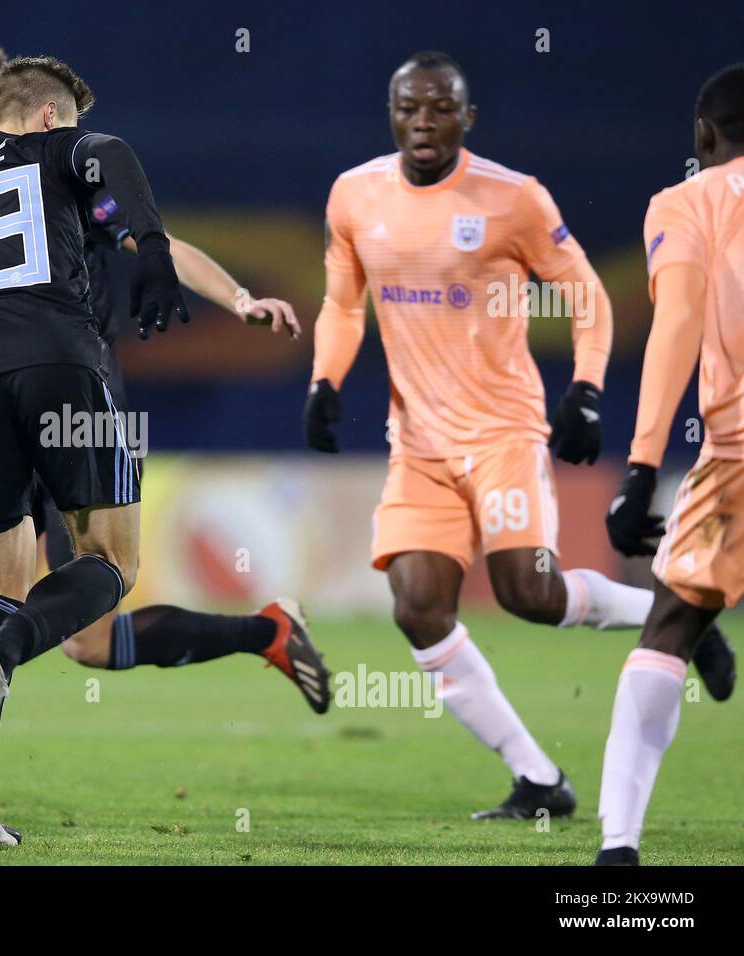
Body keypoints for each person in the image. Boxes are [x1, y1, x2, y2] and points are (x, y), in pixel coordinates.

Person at [0, 44, 324, 713]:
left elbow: (158, 242)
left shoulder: (64, 188)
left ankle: (266, 631)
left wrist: (236, 299)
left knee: (88, 643)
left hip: (74, 416)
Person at [302, 50, 733, 821]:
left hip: (503, 435)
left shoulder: (513, 199)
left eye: (440, 108)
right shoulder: (354, 194)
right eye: (409, 108)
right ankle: (540, 779)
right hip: (420, 447)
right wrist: (324, 381)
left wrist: (588, 389)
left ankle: (676, 620)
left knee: (528, 595)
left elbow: (587, 296)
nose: (423, 122)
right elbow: (342, 305)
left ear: (467, 118)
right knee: (417, 608)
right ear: (391, 113)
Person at [596, 63, 744, 866]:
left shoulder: (687, 203)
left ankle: (618, 850)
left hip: (734, 460)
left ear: (703, 138)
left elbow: (680, 320)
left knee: (667, 631)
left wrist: (642, 466)